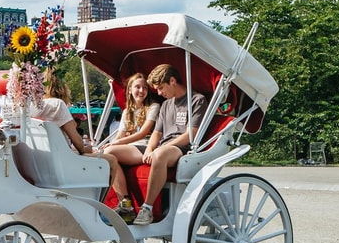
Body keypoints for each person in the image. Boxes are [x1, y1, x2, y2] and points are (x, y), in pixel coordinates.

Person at [132, 64, 209, 226]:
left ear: (172, 81)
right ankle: (124, 204)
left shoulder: (197, 100)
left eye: (161, 88)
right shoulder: (166, 104)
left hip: (181, 148)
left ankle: (147, 208)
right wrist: (150, 149)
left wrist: (160, 149)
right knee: (113, 152)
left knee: (160, 155)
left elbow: (191, 134)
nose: (159, 93)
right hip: (162, 146)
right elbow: (157, 133)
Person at [97, 73, 163, 222]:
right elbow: (120, 135)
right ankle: (125, 203)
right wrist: (105, 145)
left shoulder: (153, 107)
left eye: (145, 87)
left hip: (146, 147)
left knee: (110, 152)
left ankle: (126, 207)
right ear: (130, 90)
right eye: (137, 87)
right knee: (106, 155)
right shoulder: (127, 111)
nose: (141, 91)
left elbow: (143, 133)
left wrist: (115, 144)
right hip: (131, 147)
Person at [33, 68, 87, 154]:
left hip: (42, 155)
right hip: (62, 157)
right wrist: (87, 148)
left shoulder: (34, 106)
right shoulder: (57, 105)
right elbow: (79, 144)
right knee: (111, 160)